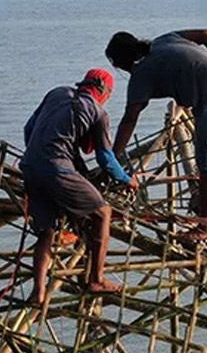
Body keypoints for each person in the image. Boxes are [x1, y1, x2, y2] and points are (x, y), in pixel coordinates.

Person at [105, 29, 207, 242]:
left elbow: (130, 119)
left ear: (120, 63)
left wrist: (112, 158)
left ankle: (206, 224)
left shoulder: (141, 73)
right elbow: (206, 34)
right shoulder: (163, 41)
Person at [22, 68, 138, 306]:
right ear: (104, 92)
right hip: (58, 171)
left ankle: (38, 292)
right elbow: (105, 158)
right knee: (103, 213)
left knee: (47, 232)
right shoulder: (98, 112)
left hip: (30, 169)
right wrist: (127, 179)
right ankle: (96, 279)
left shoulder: (56, 93)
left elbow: (29, 129)